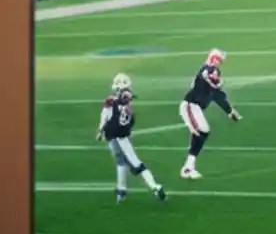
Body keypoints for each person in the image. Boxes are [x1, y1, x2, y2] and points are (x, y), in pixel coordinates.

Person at [98, 73, 167, 203]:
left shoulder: (113, 100)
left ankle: (128, 189)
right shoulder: (124, 99)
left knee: (126, 163)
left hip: (114, 136)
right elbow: (124, 103)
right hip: (121, 136)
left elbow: (105, 115)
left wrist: (100, 130)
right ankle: (149, 187)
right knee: (131, 163)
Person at [178, 49, 242, 180]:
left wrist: (230, 112)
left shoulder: (211, 77)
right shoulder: (206, 70)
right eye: (218, 59)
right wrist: (213, 80)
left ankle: (189, 167)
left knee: (203, 132)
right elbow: (206, 75)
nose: (220, 63)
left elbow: (219, 97)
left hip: (195, 108)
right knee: (201, 131)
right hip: (189, 106)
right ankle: (187, 168)